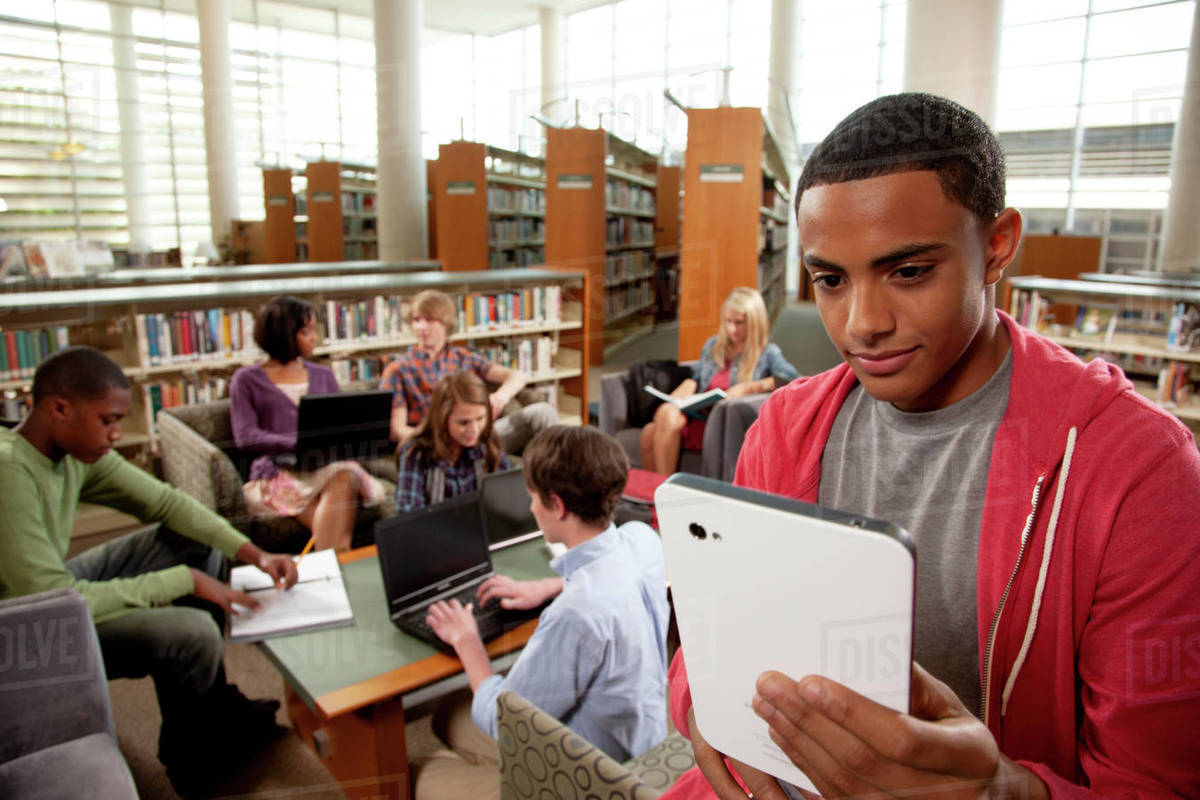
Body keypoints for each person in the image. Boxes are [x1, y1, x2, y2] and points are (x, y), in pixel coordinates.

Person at [663, 92, 1200, 799]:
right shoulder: (785, 428)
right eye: (829, 280)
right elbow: (704, 629)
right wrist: (701, 703)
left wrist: (1003, 791)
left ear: (997, 247)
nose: (862, 324)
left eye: (909, 271)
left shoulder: (1139, 472)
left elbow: (1154, 782)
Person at [0, 345, 301, 794]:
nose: (117, 433)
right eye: (109, 420)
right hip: (26, 632)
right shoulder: (9, 471)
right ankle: (192, 762)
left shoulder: (71, 452)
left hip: (51, 589)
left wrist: (252, 552)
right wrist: (185, 581)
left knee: (195, 539)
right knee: (193, 631)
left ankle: (211, 710)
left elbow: (166, 503)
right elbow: (52, 601)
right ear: (59, 409)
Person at [412, 425, 670, 800]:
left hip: (590, 778)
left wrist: (467, 641)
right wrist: (550, 585)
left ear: (557, 505)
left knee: (420, 769)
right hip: (643, 741)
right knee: (450, 712)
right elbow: (610, 577)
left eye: (533, 497)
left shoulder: (574, 615)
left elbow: (508, 721)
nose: (531, 507)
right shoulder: (642, 540)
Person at [229, 295, 386, 551]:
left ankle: (329, 573)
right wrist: (297, 443)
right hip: (278, 470)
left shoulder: (323, 374)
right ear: (284, 334)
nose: (314, 337)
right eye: (306, 331)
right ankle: (339, 563)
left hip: (326, 465)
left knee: (343, 475)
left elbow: (339, 423)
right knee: (335, 526)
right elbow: (246, 436)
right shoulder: (246, 379)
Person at [640, 287, 797, 475]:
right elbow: (699, 378)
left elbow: (794, 381)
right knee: (653, 427)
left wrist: (750, 387)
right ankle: (658, 495)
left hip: (723, 425)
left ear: (755, 323)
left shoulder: (768, 353)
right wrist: (689, 385)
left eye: (739, 323)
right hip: (699, 414)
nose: (731, 329)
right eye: (728, 321)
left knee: (656, 426)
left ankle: (661, 494)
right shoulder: (713, 345)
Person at [379, 288, 558, 452]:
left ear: (446, 324)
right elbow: (397, 430)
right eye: (416, 320)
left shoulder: (463, 357)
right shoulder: (398, 370)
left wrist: (500, 396)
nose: (421, 326)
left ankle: (563, 481)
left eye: (429, 319)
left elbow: (517, 376)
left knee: (543, 413)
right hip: (439, 444)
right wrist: (436, 439)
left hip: (480, 435)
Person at [394, 370, 512, 512]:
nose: (474, 430)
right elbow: (408, 515)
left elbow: (510, 495)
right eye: (463, 422)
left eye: (480, 418)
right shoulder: (415, 452)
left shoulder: (488, 442)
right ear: (443, 420)